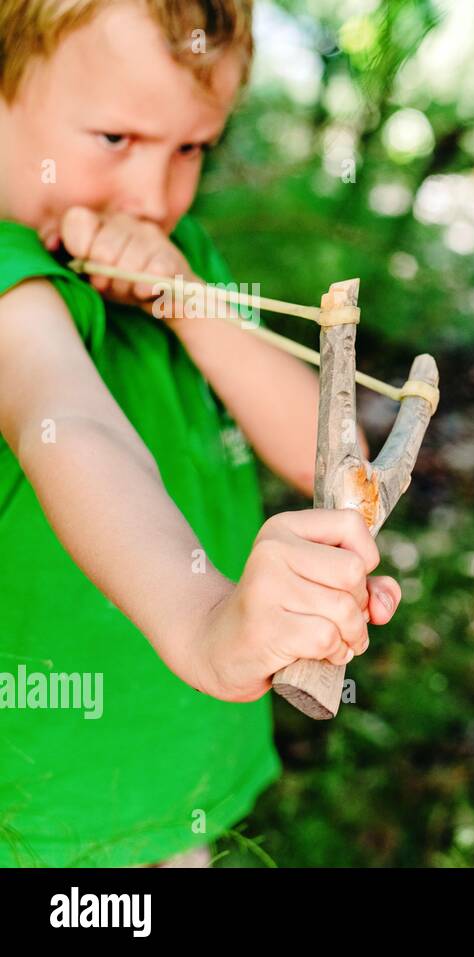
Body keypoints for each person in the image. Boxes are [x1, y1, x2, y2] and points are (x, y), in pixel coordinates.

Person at [0, 0, 402, 866]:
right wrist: (204, 621)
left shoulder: (180, 257)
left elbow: (333, 461)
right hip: (39, 817)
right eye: (113, 138)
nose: (152, 196)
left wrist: (190, 303)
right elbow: (64, 425)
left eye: (190, 148)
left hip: (179, 779)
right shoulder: (11, 286)